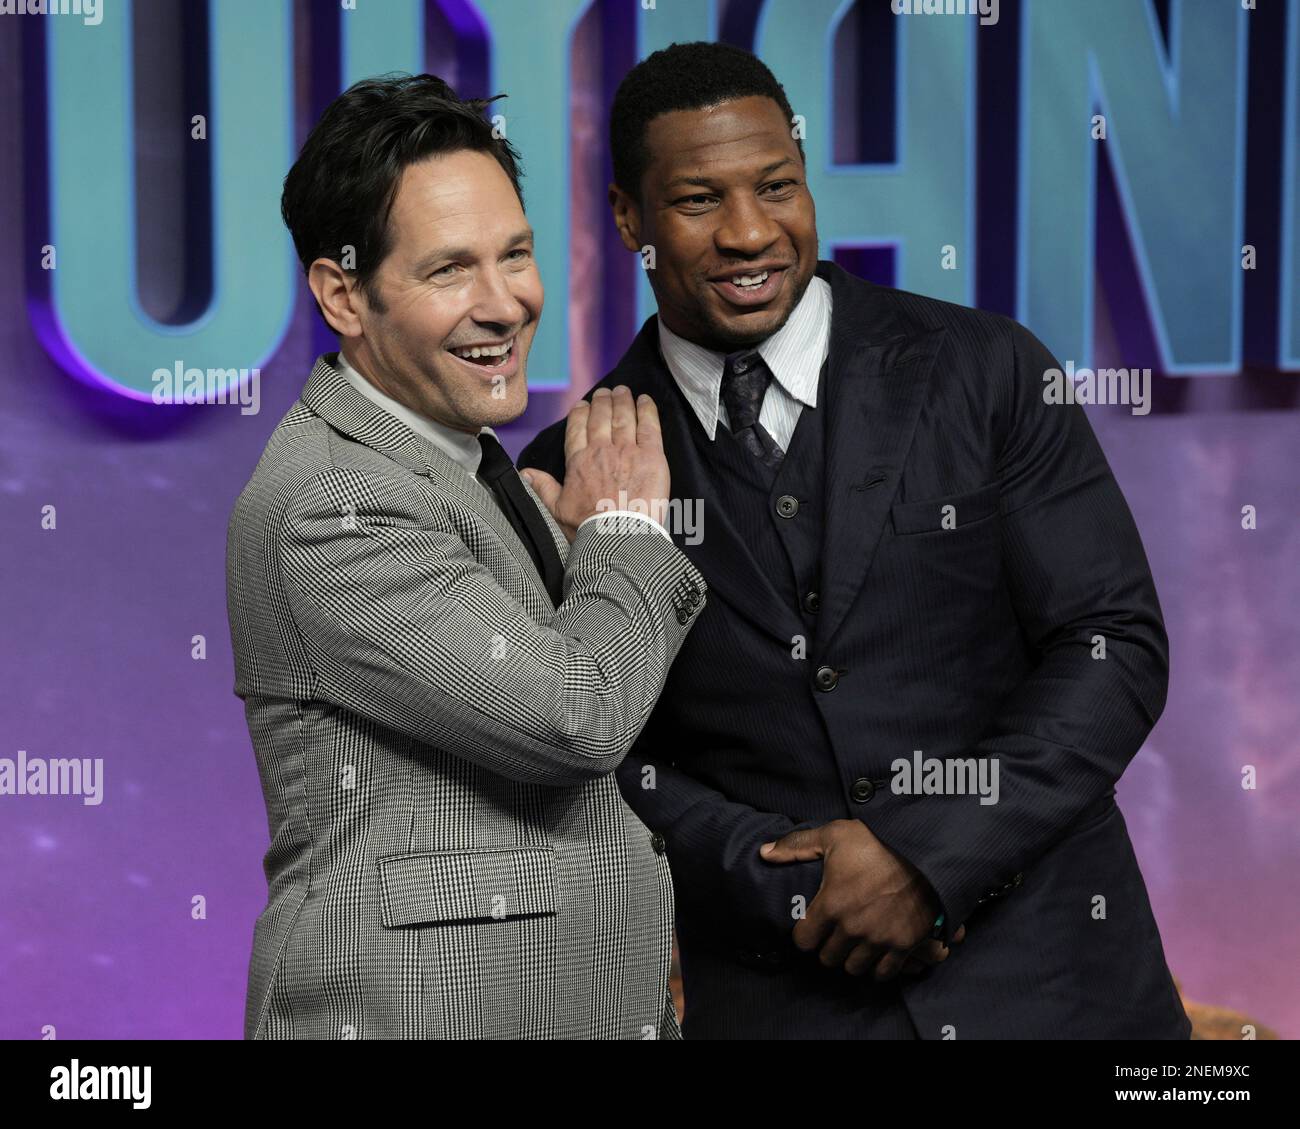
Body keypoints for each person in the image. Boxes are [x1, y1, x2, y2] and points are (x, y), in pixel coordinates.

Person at [519, 42, 1190, 1040]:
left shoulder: (986, 370)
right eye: (699, 201)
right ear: (628, 218)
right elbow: (599, 755)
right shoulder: (571, 468)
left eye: (776, 186)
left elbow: (1111, 644)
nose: (750, 233)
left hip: (1058, 989)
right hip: (789, 999)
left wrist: (929, 855)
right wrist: (788, 883)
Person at [226, 74, 705, 1039]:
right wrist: (623, 531)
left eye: (516, 255)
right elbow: (579, 718)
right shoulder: (340, 501)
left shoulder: (462, 459)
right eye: (449, 270)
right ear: (343, 296)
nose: (506, 304)